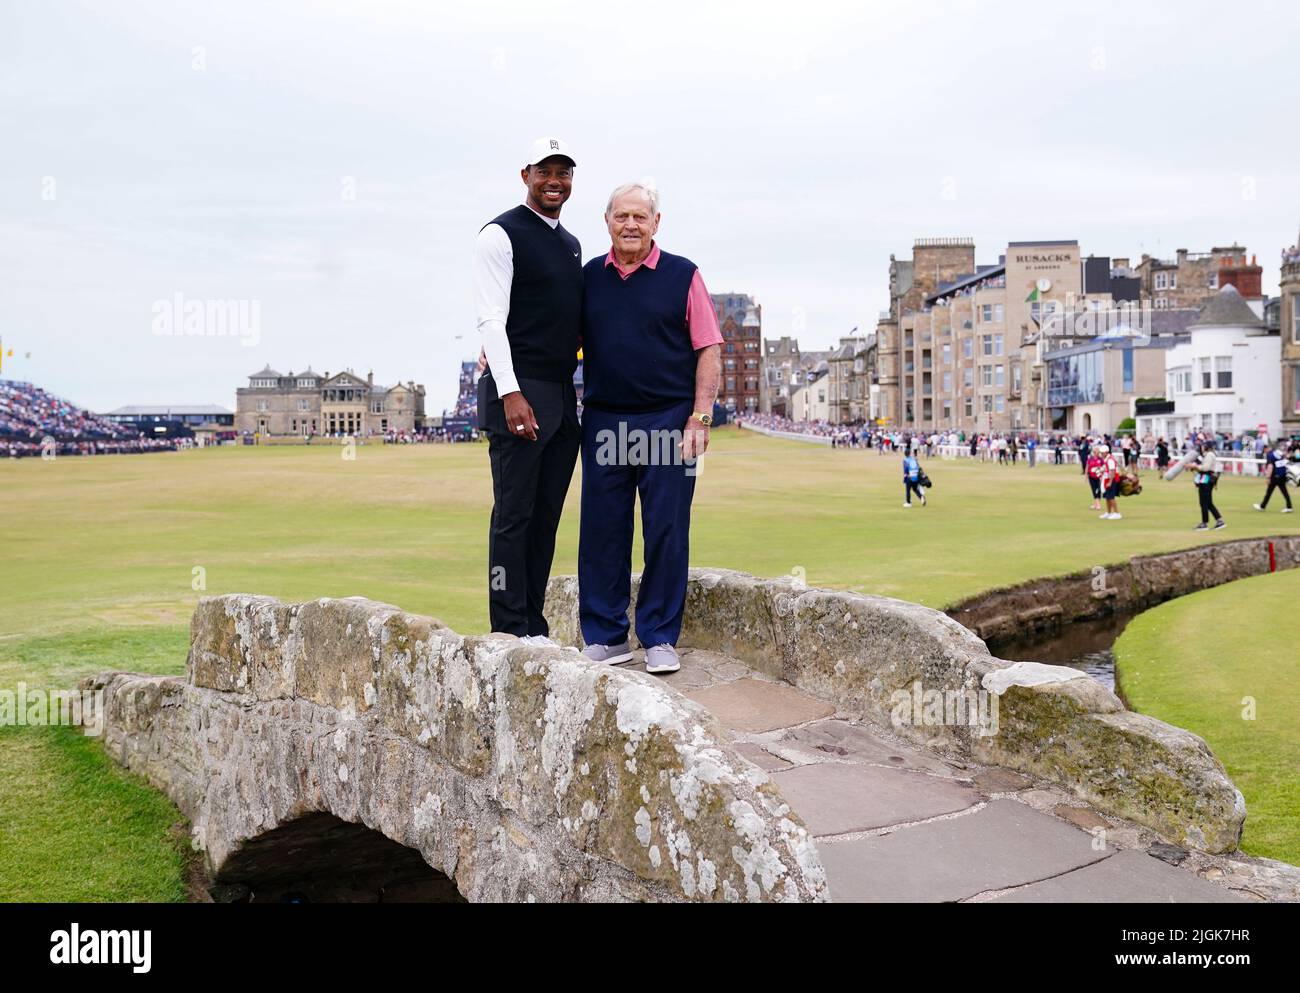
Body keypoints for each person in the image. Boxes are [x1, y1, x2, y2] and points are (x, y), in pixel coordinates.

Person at [576, 182, 723, 676]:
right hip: (603, 420)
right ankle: (605, 635)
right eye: (622, 217)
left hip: (668, 420)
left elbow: (709, 348)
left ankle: (659, 636)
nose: (631, 225)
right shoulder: (589, 278)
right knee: (602, 532)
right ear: (608, 221)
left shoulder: (684, 275)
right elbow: (559, 338)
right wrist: (504, 342)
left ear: (656, 222)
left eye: (641, 217)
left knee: (665, 530)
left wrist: (700, 416)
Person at [474, 137, 583, 643]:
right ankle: (509, 626)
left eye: (563, 172)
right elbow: (491, 321)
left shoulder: (570, 244)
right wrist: (510, 392)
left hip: (562, 394)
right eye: (546, 171)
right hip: (518, 392)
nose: (555, 181)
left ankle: (534, 623)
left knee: (546, 517)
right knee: (514, 514)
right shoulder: (500, 233)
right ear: (526, 175)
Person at [1190, 441, 1226, 531]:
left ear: (1206, 447)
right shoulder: (1209, 455)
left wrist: (1195, 466)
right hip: (1206, 479)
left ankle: (1204, 523)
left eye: (1203, 446)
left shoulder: (1209, 455)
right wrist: (1194, 467)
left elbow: (1205, 468)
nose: (1201, 448)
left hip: (1206, 479)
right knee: (1208, 503)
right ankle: (1219, 521)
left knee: (1204, 502)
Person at [1253, 440, 1294, 513]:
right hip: (1282, 474)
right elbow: (1286, 459)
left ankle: (1262, 506)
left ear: (1265, 449)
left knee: (1269, 492)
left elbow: (1270, 466)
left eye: (1263, 450)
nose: (1264, 452)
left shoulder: (1269, 454)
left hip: (1275, 476)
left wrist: (1268, 477)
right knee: (1284, 492)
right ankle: (1289, 507)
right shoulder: (1277, 452)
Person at [1097, 443, 1121, 520]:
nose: (1101, 454)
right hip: (1107, 479)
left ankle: (1117, 513)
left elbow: (1112, 471)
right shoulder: (1107, 459)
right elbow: (1106, 468)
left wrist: (1110, 482)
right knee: (1107, 497)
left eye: (1102, 452)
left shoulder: (1110, 459)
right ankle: (1108, 512)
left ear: (1106, 452)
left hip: (1111, 480)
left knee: (1111, 497)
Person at [1085, 444, 1104, 511]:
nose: (1096, 453)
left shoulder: (1101, 460)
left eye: (1097, 452)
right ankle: (1097, 504)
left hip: (1099, 477)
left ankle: (1097, 504)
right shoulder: (1090, 459)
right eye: (1095, 452)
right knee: (1094, 490)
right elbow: (1087, 467)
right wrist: (1086, 475)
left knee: (1098, 490)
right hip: (1091, 477)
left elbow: (1103, 468)